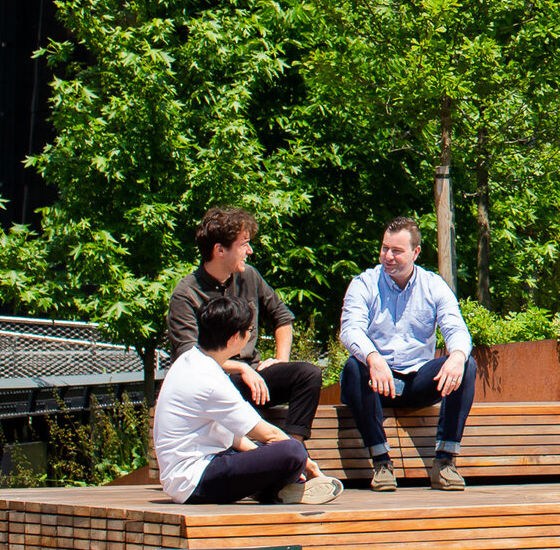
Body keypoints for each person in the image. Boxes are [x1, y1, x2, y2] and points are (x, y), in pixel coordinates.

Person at [154, 295, 341, 506]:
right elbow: (269, 433)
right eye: (250, 331)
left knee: (271, 450)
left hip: (187, 476)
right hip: (196, 481)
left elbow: (233, 436)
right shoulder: (211, 381)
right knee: (292, 450)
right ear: (235, 337)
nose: (251, 335)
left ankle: (272, 491)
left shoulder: (190, 361)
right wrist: (307, 465)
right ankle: (276, 489)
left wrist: (263, 458)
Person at [339, 217, 475, 492]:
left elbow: (456, 328)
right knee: (354, 368)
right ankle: (381, 462)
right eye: (385, 248)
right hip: (376, 380)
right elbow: (350, 331)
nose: (388, 256)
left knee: (467, 363)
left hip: (416, 381)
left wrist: (457, 356)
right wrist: (373, 358)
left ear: (415, 252)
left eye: (397, 251)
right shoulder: (363, 283)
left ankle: (445, 461)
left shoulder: (433, 285)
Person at [167, 207, 325, 440]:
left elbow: (283, 318)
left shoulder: (249, 275)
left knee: (308, 374)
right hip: (212, 384)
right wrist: (240, 367)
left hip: (253, 378)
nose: (249, 251)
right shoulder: (185, 294)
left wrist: (280, 361)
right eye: (243, 244)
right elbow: (188, 357)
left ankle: (294, 449)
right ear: (219, 250)